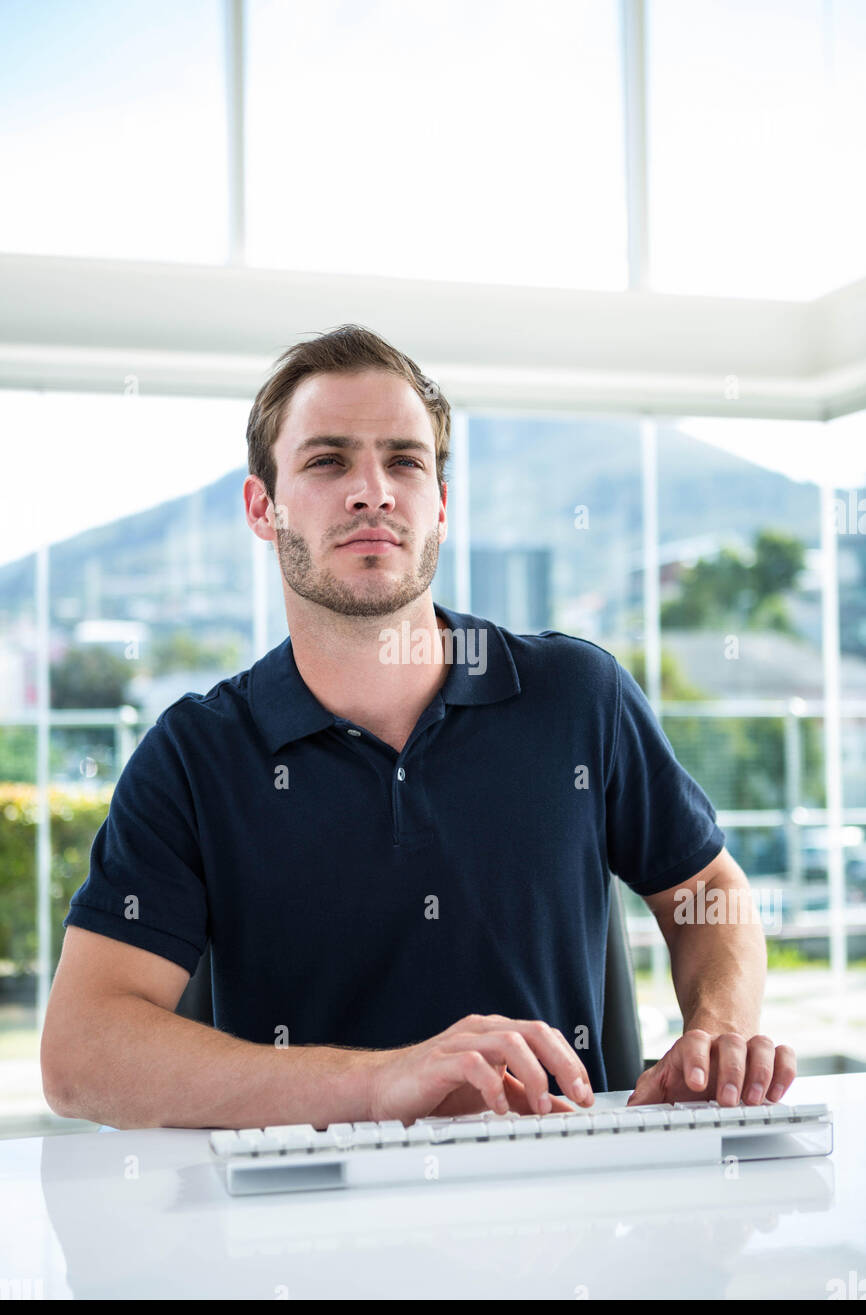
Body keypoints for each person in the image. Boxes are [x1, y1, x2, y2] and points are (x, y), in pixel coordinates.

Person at [41, 324, 795, 1131]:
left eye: (404, 461)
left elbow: (708, 890)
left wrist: (716, 1030)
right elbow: (82, 1055)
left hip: (567, 1205)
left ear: (441, 505)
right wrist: (380, 1084)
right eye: (328, 461)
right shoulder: (193, 755)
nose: (375, 491)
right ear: (264, 508)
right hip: (299, 1230)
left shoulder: (578, 696)